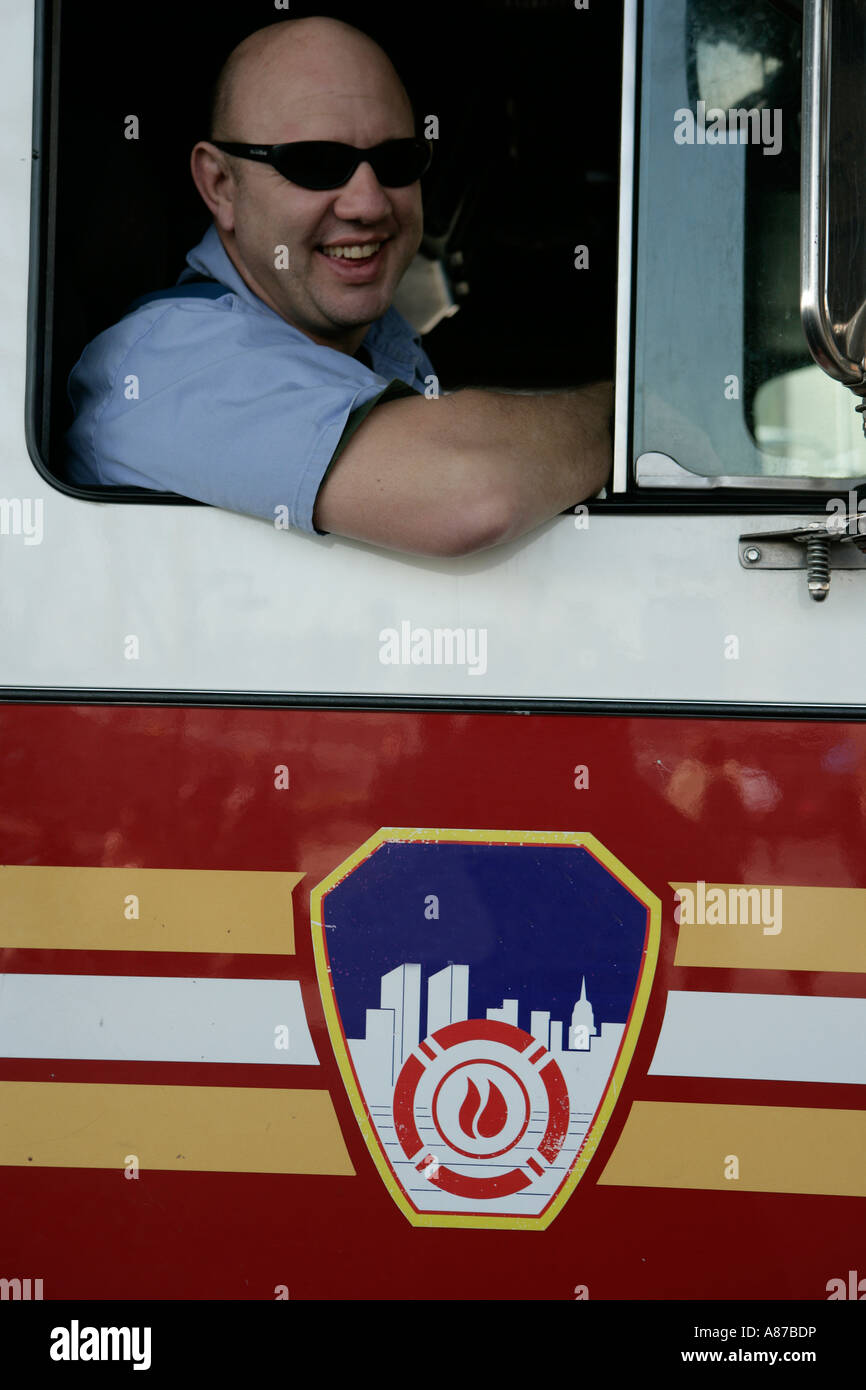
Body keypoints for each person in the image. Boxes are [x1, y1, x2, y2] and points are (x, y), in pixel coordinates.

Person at [66, 16, 611, 558]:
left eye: (397, 160)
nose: (369, 203)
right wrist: (643, 412)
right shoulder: (169, 365)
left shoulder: (377, 337)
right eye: (317, 164)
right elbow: (472, 490)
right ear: (220, 185)